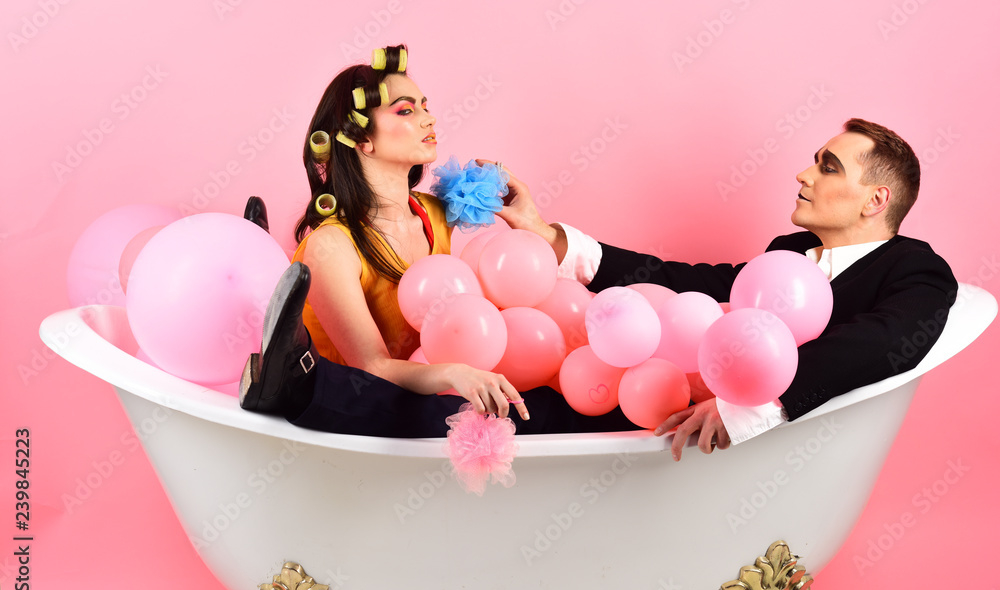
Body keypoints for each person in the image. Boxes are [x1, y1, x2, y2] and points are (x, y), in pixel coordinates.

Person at [498, 118, 957, 459]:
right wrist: (551, 238)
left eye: (829, 168)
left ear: (876, 200)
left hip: (755, 455)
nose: (804, 175)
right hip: (651, 404)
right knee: (502, 412)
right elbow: (692, 281)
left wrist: (746, 405)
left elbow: (878, 345)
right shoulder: (790, 252)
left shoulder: (917, 270)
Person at [238, 45, 636, 438]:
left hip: (432, 379)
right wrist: (455, 372)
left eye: (425, 105)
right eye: (406, 110)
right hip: (371, 396)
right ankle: (289, 369)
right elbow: (372, 367)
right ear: (362, 141)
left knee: (547, 399)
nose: (429, 118)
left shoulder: (435, 212)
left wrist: (515, 212)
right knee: (524, 414)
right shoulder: (332, 247)